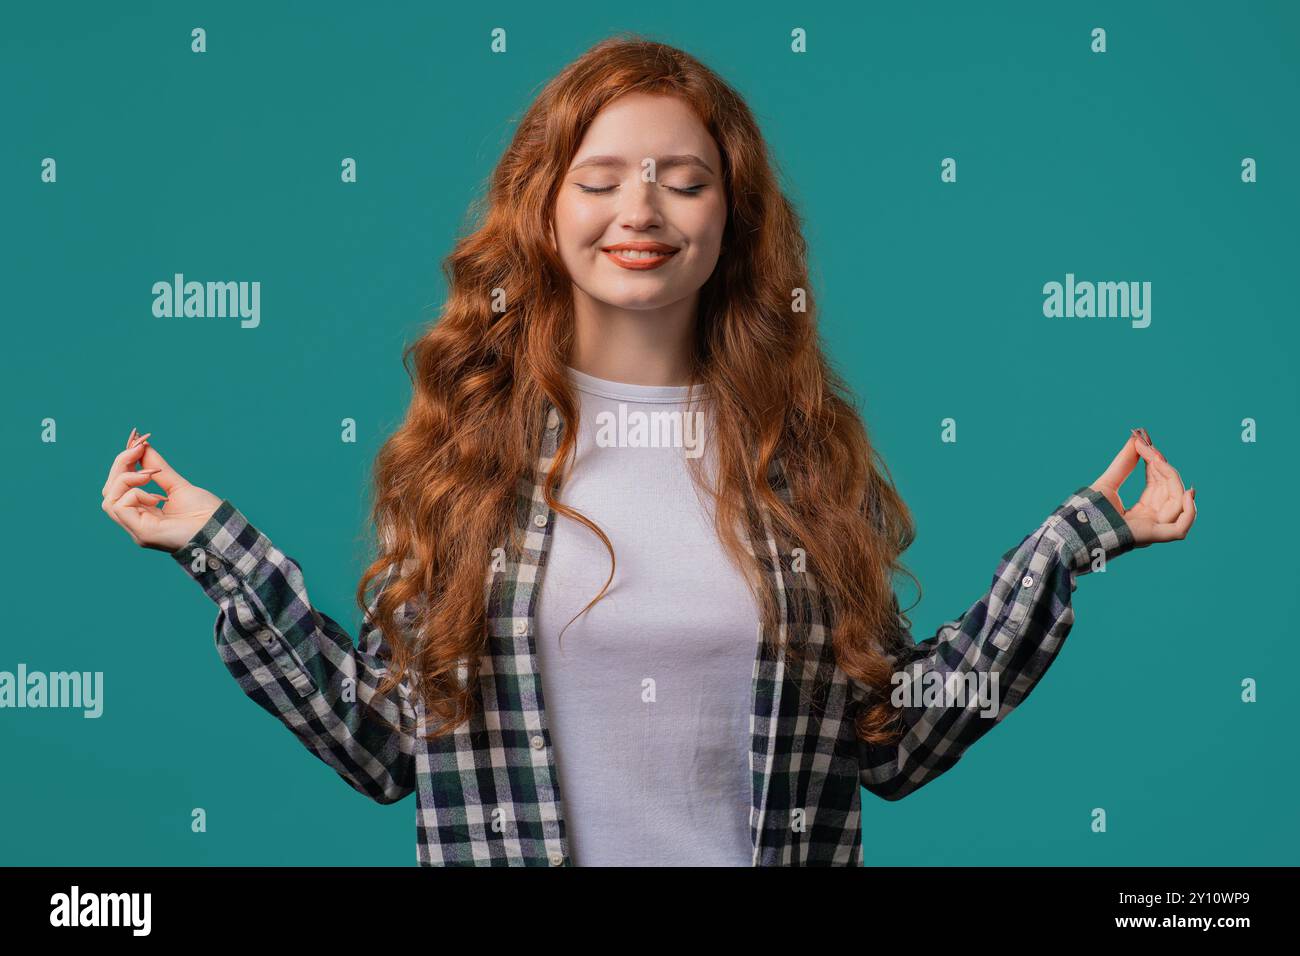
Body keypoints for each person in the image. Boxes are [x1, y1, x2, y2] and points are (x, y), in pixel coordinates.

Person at [99, 35, 1197, 867]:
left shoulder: (796, 458)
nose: (642, 208)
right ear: (545, 209)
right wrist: (216, 546)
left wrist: (1072, 543)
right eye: (601, 176)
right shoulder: (471, 457)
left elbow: (892, 741)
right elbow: (386, 746)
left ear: (730, 217)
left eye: (683, 178)